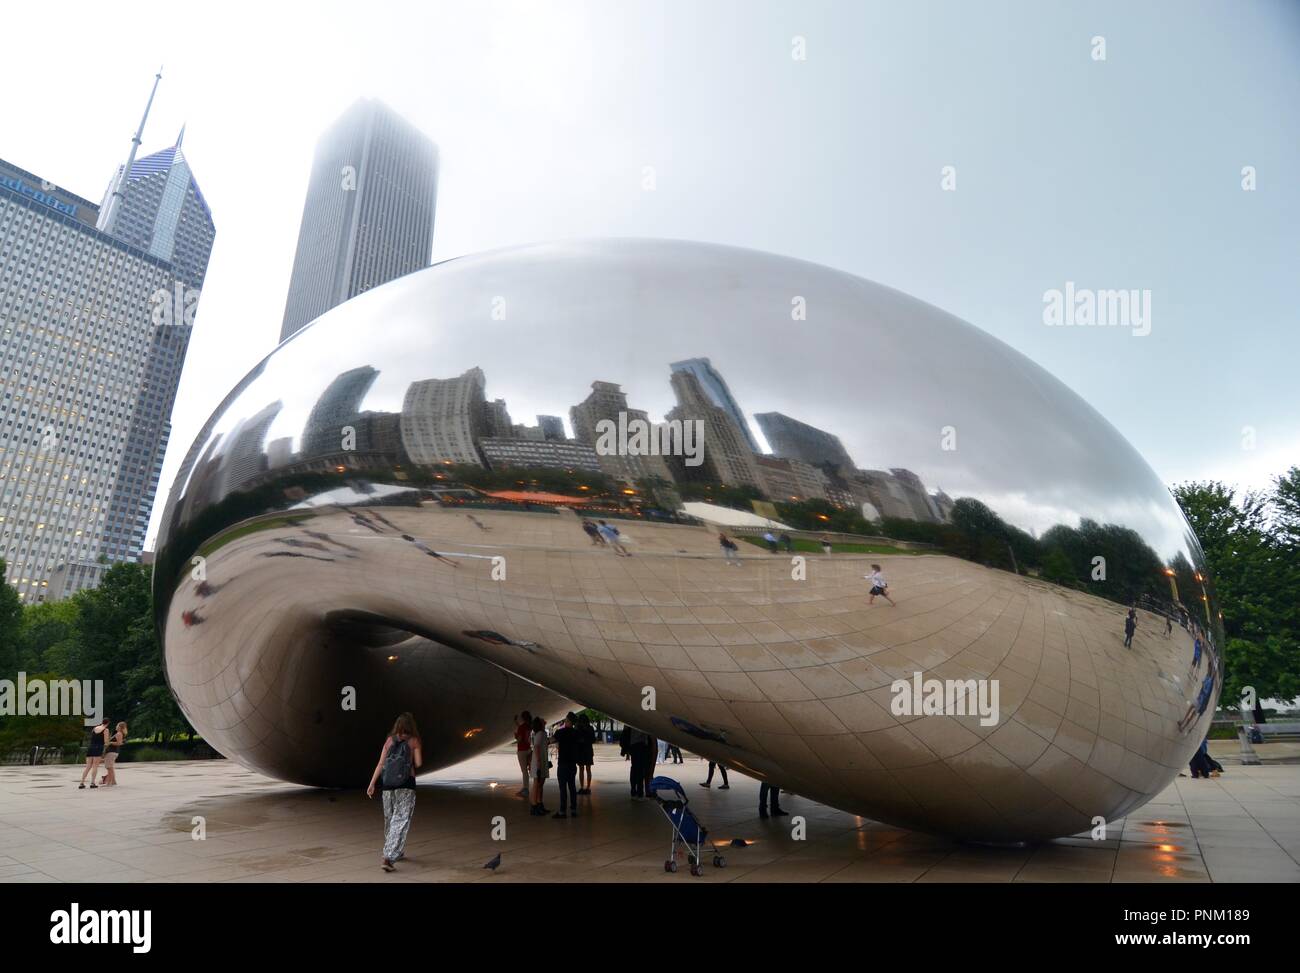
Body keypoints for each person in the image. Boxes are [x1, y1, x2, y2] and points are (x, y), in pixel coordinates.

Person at [366, 713, 423, 872]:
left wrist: (372, 784)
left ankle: (396, 850)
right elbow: (418, 763)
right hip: (406, 785)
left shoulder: (389, 741)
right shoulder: (413, 741)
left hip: (387, 785)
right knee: (401, 820)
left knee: (390, 820)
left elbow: (380, 764)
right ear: (412, 726)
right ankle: (388, 857)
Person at [551, 713, 581, 818]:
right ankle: (573, 809)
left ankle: (562, 811)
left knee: (563, 788)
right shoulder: (576, 733)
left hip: (563, 763)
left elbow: (550, 741)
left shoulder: (560, 732)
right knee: (572, 786)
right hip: (572, 763)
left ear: (567, 720)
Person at [620, 724, 652, 799]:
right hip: (641, 745)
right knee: (640, 769)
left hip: (634, 746)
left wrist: (626, 750)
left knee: (635, 768)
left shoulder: (629, 721)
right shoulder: (642, 720)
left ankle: (634, 789)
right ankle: (639, 791)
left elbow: (625, 733)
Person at [78, 718, 109, 789]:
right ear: (108, 723)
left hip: (91, 747)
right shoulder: (106, 730)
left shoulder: (94, 728)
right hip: (98, 748)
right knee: (95, 766)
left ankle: (82, 783)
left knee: (88, 766)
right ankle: (92, 783)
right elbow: (106, 742)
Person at [529, 716, 550, 815]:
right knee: (537, 784)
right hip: (539, 762)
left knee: (539, 784)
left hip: (541, 761)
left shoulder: (542, 733)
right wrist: (538, 761)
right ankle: (534, 806)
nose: (544, 720)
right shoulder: (540, 734)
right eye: (542, 720)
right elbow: (536, 746)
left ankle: (539, 804)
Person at [100, 721, 127, 786]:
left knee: (109, 767)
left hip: (112, 752)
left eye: (117, 725)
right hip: (112, 752)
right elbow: (121, 742)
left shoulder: (119, 734)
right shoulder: (118, 733)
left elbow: (119, 743)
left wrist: (111, 743)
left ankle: (109, 783)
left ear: (120, 727)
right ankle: (113, 782)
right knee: (110, 767)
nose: (116, 726)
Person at [576, 712, 596, 795]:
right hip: (588, 750)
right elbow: (593, 740)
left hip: (580, 751)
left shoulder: (578, 728)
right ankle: (588, 787)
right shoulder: (590, 728)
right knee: (588, 769)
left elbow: (576, 739)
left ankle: (581, 787)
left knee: (581, 769)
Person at [514, 711, 533, 798]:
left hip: (522, 750)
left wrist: (516, 736)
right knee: (526, 771)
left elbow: (519, 740)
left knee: (524, 771)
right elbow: (524, 733)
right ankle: (525, 788)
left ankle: (525, 790)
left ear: (522, 718)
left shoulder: (521, 727)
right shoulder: (529, 726)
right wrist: (517, 724)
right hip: (528, 749)